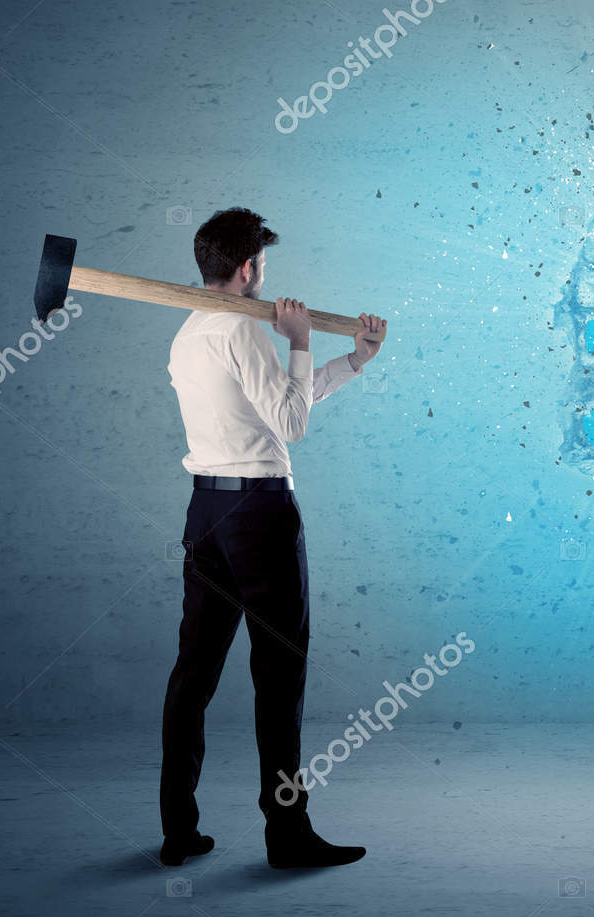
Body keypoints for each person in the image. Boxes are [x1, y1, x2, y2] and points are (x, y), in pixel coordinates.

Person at [158, 207, 385, 869]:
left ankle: (179, 829)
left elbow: (282, 399)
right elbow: (290, 422)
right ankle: (287, 836)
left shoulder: (188, 333)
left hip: (205, 513)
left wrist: (353, 360)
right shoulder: (245, 329)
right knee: (279, 677)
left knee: (193, 672)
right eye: (264, 266)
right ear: (250, 267)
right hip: (260, 515)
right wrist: (298, 337)